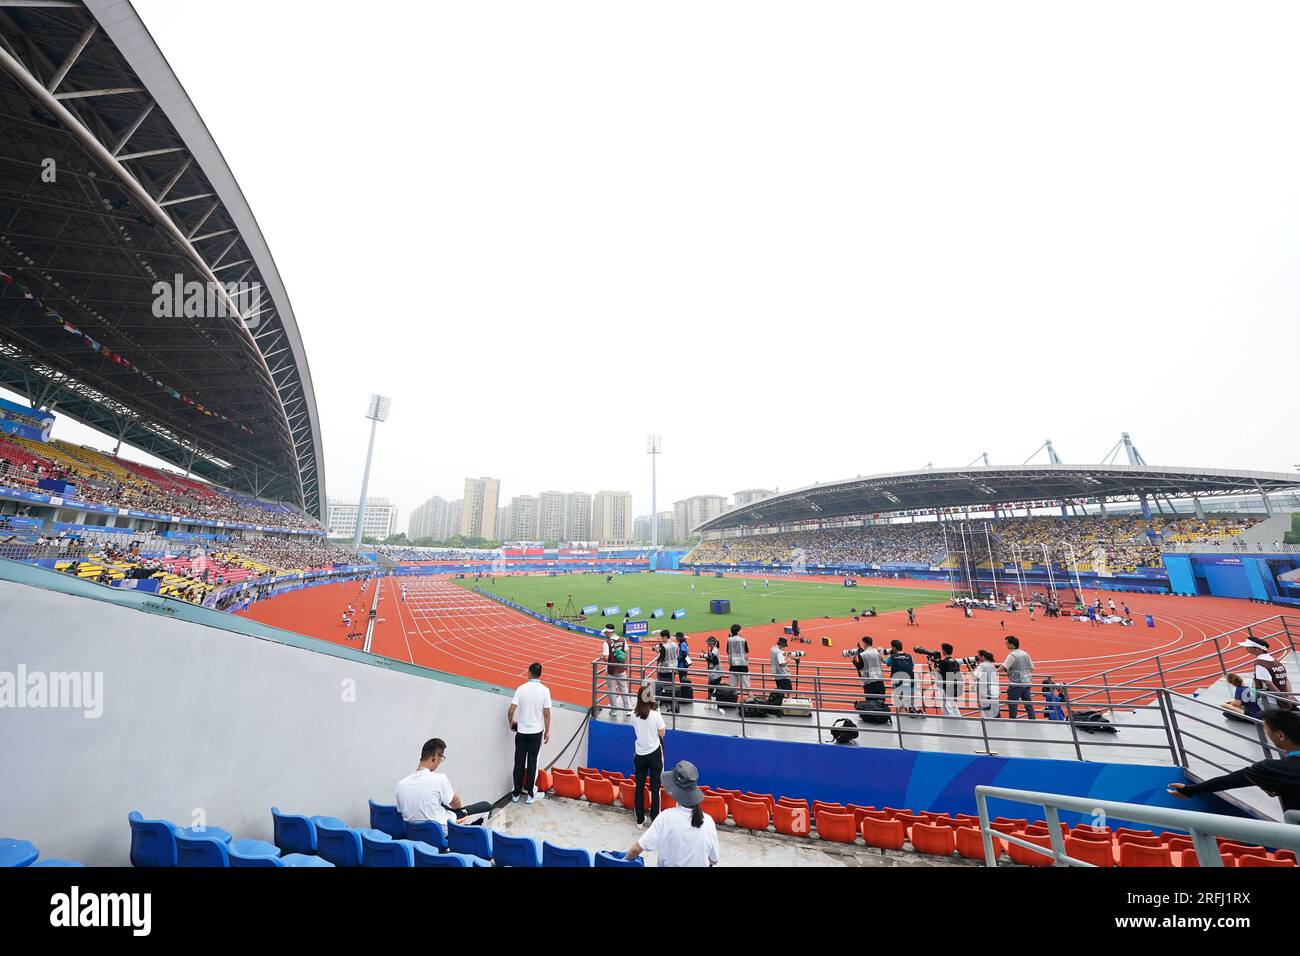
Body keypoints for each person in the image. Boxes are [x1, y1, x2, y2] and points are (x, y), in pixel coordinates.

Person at [1169, 710, 1300, 814]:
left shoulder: (1273, 769)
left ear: (1280, 735)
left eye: (1266, 731)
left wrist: (1190, 790)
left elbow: (1230, 780)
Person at [624, 760, 719, 867]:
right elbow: (714, 860)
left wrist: (622, 861)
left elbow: (636, 849)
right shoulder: (709, 822)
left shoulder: (665, 818)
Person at [395, 737, 494, 827]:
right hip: (444, 829)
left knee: (443, 805)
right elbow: (455, 802)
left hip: (416, 833)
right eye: (441, 758)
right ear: (435, 757)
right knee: (486, 806)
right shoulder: (439, 778)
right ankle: (468, 837)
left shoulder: (401, 784)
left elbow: (401, 811)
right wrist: (461, 813)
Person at [507, 662, 551, 804]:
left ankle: (516, 793)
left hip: (521, 731)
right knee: (533, 763)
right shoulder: (545, 690)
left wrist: (511, 723)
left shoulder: (521, 689)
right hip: (536, 731)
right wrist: (547, 731)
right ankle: (531, 794)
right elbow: (547, 714)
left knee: (518, 762)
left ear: (529, 673)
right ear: (540, 674)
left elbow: (511, 711)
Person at [630, 689, 667, 826]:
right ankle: (655, 819)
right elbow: (662, 733)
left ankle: (640, 820)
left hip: (640, 754)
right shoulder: (656, 715)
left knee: (639, 787)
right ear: (650, 698)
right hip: (654, 754)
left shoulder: (633, 715)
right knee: (655, 788)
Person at [1241, 636, 1297, 713]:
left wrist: (1282, 699)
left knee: (1242, 700)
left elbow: (1268, 683)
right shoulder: (1276, 662)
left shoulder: (1260, 663)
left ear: (1258, 649)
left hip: (1270, 701)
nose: (1246, 648)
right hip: (1281, 697)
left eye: (1248, 647)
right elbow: (1286, 679)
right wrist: (1289, 696)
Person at [599, 625, 631, 719]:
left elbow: (606, 658)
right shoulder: (622, 639)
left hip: (611, 670)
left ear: (609, 632)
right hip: (621, 668)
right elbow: (626, 652)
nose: (605, 634)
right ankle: (628, 709)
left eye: (605, 632)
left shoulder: (607, 643)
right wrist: (627, 664)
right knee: (624, 689)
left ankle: (614, 710)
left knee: (612, 689)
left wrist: (601, 657)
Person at [1000, 635, 1035, 719]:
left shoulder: (1012, 655)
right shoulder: (1025, 653)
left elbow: (1003, 667)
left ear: (1012, 644)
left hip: (1016, 684)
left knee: (1012, 705)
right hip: (1026, 682)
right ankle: (1033, 720)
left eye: (1007, 643)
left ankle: (1013, 722)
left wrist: (994, 671)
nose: (1006, 645)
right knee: (1028, 705)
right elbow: (1031, 667)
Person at [884, 639, 921, 716]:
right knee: (911, 703)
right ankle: (912, 712)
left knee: (901, 704)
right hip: (910, 682)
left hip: (898, 683)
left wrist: (881, 653)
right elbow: (912, 666)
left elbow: (886, 663)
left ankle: (903, 722)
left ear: (894, 648)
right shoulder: (909, 656)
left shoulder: (892, 656)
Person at [853, 635, 885, 705]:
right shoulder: (877, 651)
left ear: (865, 643)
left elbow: (860, 666)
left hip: (869, 682)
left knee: (871, 702)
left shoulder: (863, 654)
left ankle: (872, 716)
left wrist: (854, 661)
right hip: (880, 680)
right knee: (881, 702)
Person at [656, 630, 680, 714]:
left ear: (665, 636)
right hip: (673, 668)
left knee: (659, 686)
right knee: (671, 685)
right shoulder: (675, 644)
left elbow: (661, 658)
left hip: (665, 669)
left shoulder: (664, 647)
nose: (661, 639)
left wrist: (658, 652)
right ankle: (671, 701)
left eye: (662, 637)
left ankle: (659, 702)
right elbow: (677, 655)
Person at [936, 643, 963, 717]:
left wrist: (931, 665)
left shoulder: (943, 662)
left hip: (945, 687)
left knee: (947, 707)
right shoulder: (956, 662)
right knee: (953, 705)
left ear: (944, 651)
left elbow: (935, 673)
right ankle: (959, 719)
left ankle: (950, 724)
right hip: (954, 686)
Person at [974, 650, 1000, 718]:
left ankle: (989, 726)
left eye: (979, 656)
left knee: (986, 712)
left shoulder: (981, 666)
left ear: (982, 657)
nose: (978, 657)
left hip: (986, 692)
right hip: (995, 690)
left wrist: (972, 669)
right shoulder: (992, 665)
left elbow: (975, 677)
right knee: (995, 710)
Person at [770, 636, 793, 709]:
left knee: (780, 692)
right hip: (783, 675)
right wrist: (789, 659)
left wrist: (786, 654)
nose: (785, 648)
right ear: (782, 645)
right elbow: (782, 664)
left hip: (777, 675)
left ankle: (781, 707)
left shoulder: (773, 648)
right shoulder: (779, 652)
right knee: (789, 693)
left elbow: (779, 655)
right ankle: (790, 708)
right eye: (784, 646)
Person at [726, 623, 750, 693]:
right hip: (742, 665)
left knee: (732, 687)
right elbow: (746, 651)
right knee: (746, 687)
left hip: (733, 665)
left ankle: (732, 700)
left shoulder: (729, 640)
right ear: (738, 631)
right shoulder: (743, 640)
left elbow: (727, 651)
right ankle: (753, 700)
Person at [703, 636, 724, 710]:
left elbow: (715, 662)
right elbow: (711, 659)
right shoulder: (713, 650)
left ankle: (712, 704)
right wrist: (706, 656)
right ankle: (711, 703)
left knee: (712, 689)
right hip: (713, 673)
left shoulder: (714, 650)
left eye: (708, 642)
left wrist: (706, 656)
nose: (707, 643)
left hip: (716, 673)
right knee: (711, 688)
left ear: (711, 643)